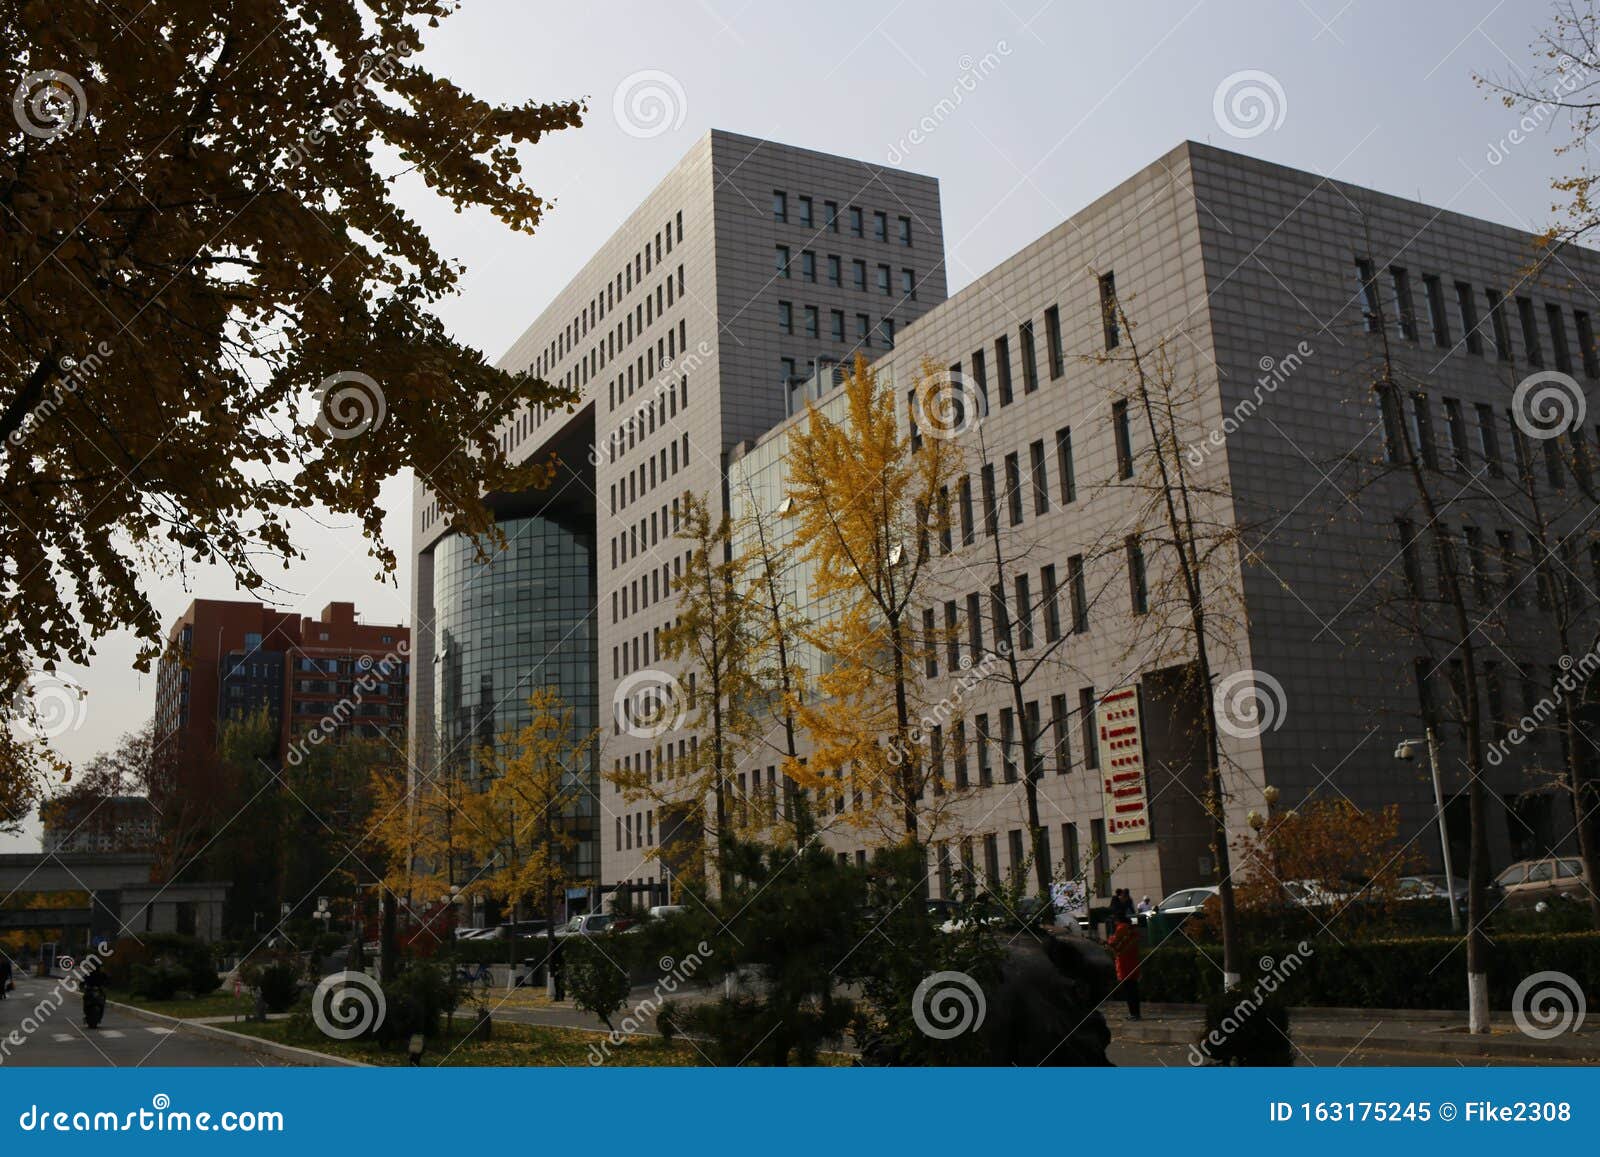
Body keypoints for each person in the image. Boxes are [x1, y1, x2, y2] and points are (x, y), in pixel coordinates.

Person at [1109, 917, 1141, 1020]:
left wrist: (1108, 940)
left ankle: (1134, 1014)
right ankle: (1136, 1013)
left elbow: (1113, 942)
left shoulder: (1121, 928)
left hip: (1124, 965)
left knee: (1129, 991)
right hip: (1133, 963)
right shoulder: (1133, 932)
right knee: (1134, 990)